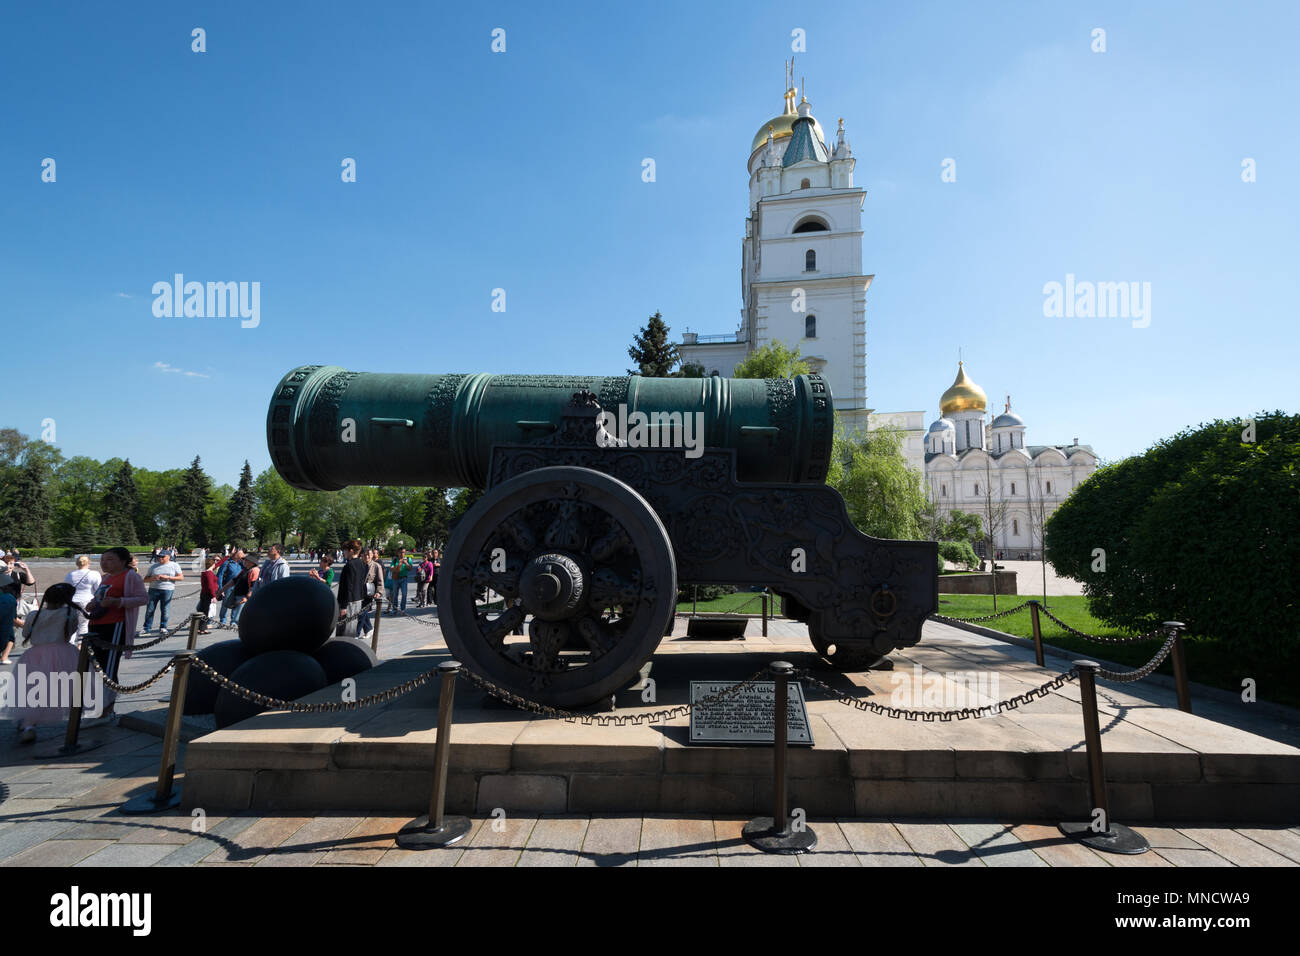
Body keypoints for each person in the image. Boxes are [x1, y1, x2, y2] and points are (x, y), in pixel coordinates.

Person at [11, 583, 82, 744]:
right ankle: (73, 724)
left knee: (33, 692)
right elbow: (71, 631)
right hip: (64, 653)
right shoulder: (70, 612)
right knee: (67, 690)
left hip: (35, 654)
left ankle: (29, 726)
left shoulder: (33, 615)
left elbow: (26, 633)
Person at [84, 547, 148, 717]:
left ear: (122, 561)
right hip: (96, 624)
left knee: (108, 668)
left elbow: (143, 598)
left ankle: (107, 709)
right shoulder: (105, 578)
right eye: (102, 559)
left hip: (115, 626)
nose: (104, 562)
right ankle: (98, 705)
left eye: (110, 559)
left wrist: (118, 602)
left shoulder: (131, 576)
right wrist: (92, 603)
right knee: (96, 666)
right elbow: (99, 598)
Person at [142, 549, 183, 635]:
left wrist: (167, 578)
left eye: (162, 557)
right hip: (153, 589)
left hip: (167, 589)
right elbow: (145, 580)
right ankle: (146, 628)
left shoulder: (174, 565)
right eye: (159, 557)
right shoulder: (153, 566)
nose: (160, 558)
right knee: (150, 609)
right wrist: (153, 578)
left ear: (168, 557)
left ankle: (163, 627)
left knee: (165, 609)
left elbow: (181, 577)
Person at [217, 553, 260, 628]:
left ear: (252, 562)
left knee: (237, 617)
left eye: (246, 560)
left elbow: (253, 586)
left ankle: (236, 626)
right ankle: (234, 625)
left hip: (244, 596)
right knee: (235, 613)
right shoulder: (245, 569)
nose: (244, 561)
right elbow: (234, 580)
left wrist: (247, 597)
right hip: (238, 594)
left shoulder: (254, 570)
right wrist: (221, 590)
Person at [64, 555, 102, 638]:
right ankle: (81, 646)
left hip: (72, 601)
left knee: (72, 624)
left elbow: (66, 589)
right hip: (86, 601)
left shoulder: (70, 574)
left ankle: (71, 645)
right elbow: (98, 589)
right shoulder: (94, 574)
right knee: (84, 624)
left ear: (77, 563)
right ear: (89, 563)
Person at [334, 542, 367, 638]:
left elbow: (348, 587)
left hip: (349, 602)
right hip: (357, 599)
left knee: (345, 630)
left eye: (345, 550)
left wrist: (343, 606)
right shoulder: (361, 563)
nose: (344, 552)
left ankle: (344, 648)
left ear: (351, 551)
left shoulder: (349, 565)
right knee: (351, 628)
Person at [214, 548, 245, 628]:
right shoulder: (227, 563)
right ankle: (222, 621)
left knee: (237, 604)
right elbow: (220, 576)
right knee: (225, 604)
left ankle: (233, 622)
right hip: (228, 587)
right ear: (236, 554)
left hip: (239, 587)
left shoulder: (242, 564)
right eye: (241, 553)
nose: (242, 555)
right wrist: (221, 589)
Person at [197, 555, 220, 635]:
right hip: (208, 594)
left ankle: (201, 628)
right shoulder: (209, 573)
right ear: (211, 564)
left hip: (204, 593)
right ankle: (202, 629)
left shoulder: (204, 571)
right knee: (205, 612)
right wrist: (213, 596)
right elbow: (211, 586)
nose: (216, 563)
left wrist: (228, 556)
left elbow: (218, 564)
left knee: (203, 611)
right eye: (214, 562)